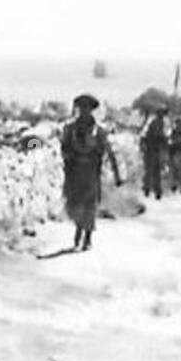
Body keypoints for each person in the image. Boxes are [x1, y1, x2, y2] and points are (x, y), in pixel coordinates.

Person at [59, 93, 120, 250]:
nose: (84, 111)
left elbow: (109, 151)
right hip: (75, 173)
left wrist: (117, 174)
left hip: (91, 173)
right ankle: (79, 229)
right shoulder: (70, 129)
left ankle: (87, 237)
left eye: (88, 108)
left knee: (90, 205)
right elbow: (63, 148)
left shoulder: (98, 131)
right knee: (75, 204)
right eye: (82, 107)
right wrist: (69, 157)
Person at [140, 106, 168, 199]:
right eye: (162, 113)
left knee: (153, 171)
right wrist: (164, 139)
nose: (163, 115)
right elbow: (157, 135)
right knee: (153, 171)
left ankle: (153, 190)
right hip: (152, 149)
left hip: (154, 149)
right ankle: (151, 190)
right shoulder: (156, 123)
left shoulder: (158, 122)